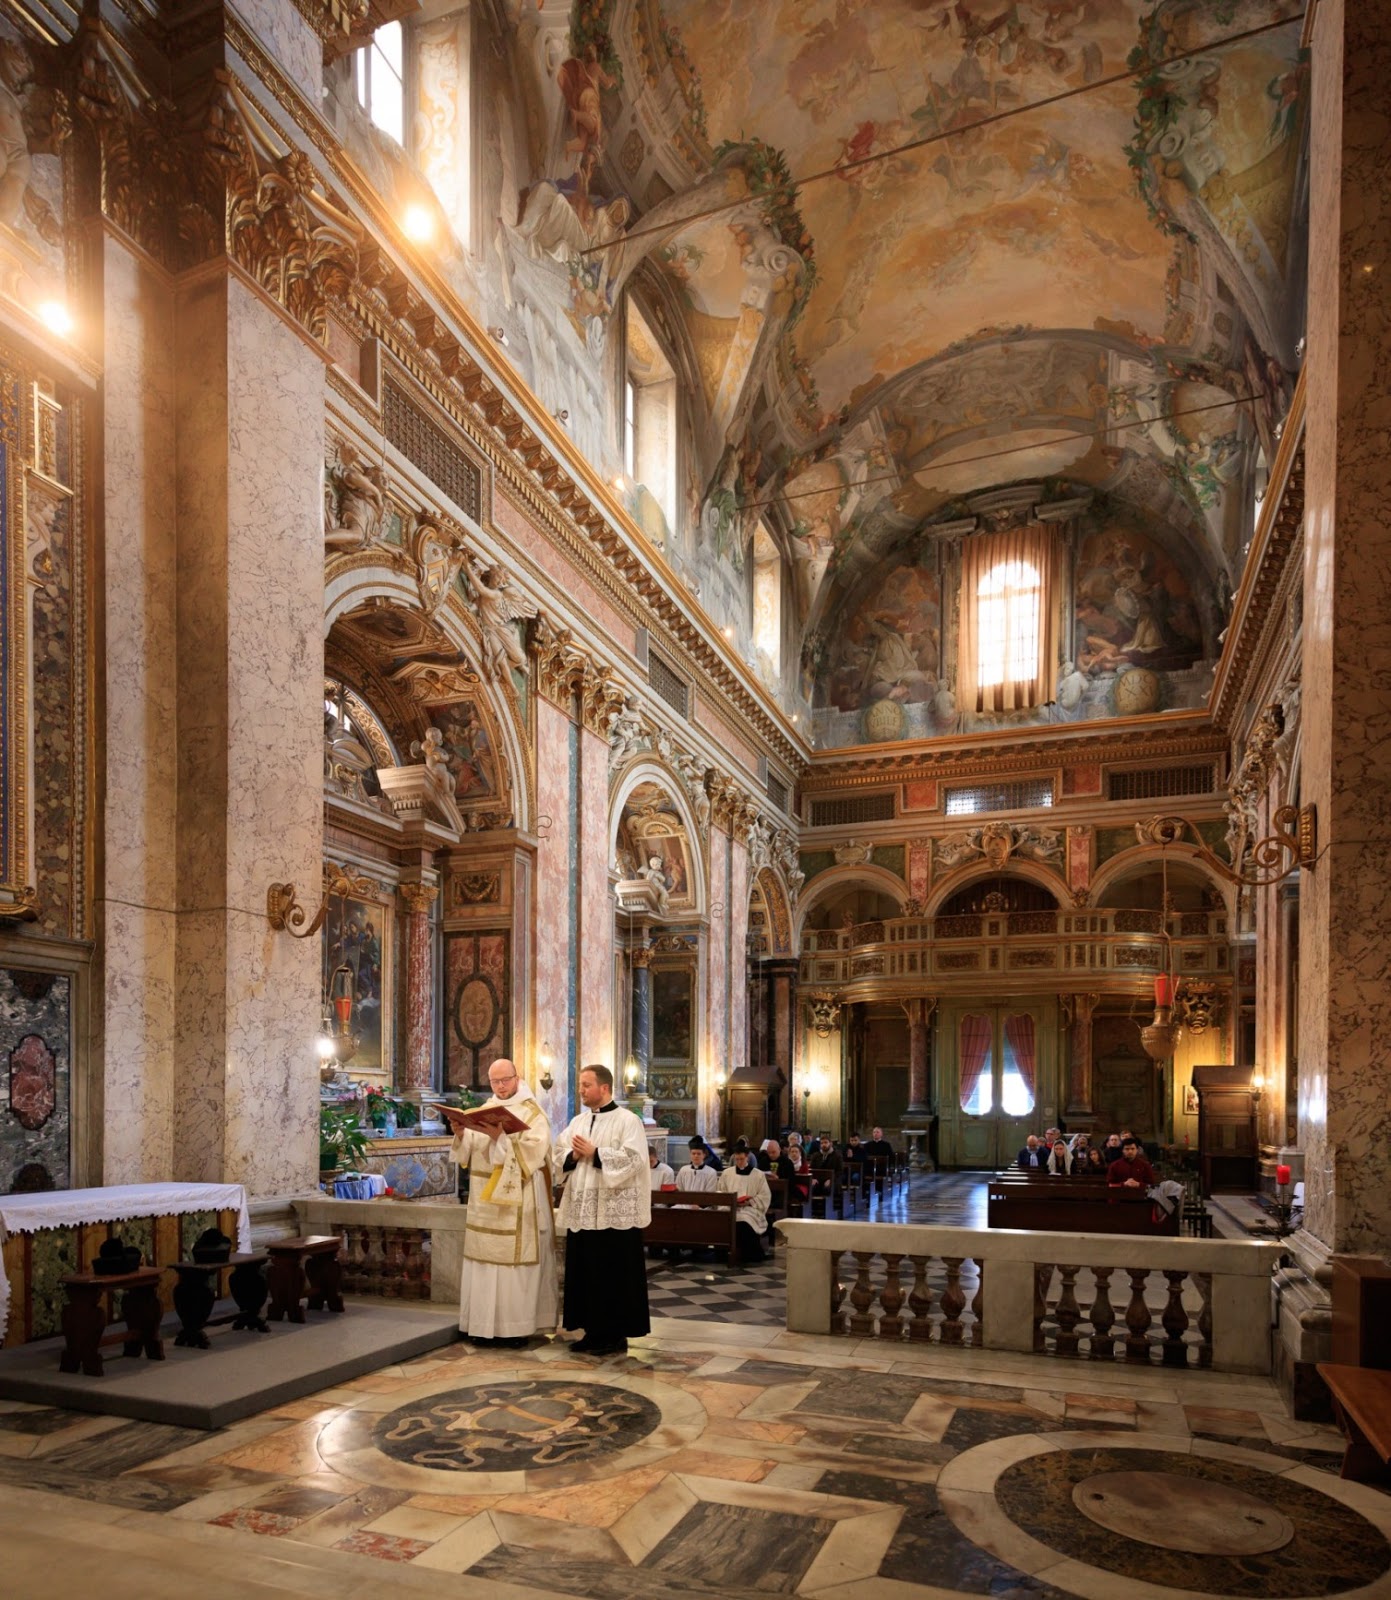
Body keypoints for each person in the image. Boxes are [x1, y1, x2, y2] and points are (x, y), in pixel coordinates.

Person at [449, 1057, 557, 1347]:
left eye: (505, 1080)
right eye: (495, 1081)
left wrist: (501, 1139)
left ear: (517, 1076)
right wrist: (461, 1133)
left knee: (513, 1264)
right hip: (484, 1202)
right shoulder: (485, 1109)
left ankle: (515, 1329)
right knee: (484, 1259)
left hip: (518, 1201)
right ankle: (481, 1326)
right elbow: (470, 1149)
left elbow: (535, 1152)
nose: (500, 1086)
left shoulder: (532, 1113)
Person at [554, 1063, 650, 1356]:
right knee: (586, 1274)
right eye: (580, 1085)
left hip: (613, 1215)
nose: (581, 1090)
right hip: (584, 1212)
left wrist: (596, 1154)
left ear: (604, 1088)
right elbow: (557, 1154)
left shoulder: (627, 1121)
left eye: (586, 1085)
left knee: (613, 1274)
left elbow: (635, 1160)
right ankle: (591, 1332)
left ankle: (615, 1335)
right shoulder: (578, 1122)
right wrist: (572, 1155)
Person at [718, 1147, 773, 1263]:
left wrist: (749, 1202)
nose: (739, 1162)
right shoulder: (727, 1173)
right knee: (724, 1219)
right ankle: (724, 1253)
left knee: (744, 1221)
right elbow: (720, 1191)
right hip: (730, 1207)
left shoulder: (758, 1175)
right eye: (737, 1159)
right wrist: (730, 1201)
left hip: (750, 1208)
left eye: (741, 1159)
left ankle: (748, 1255)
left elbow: (765, 1196)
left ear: (747, 1157)